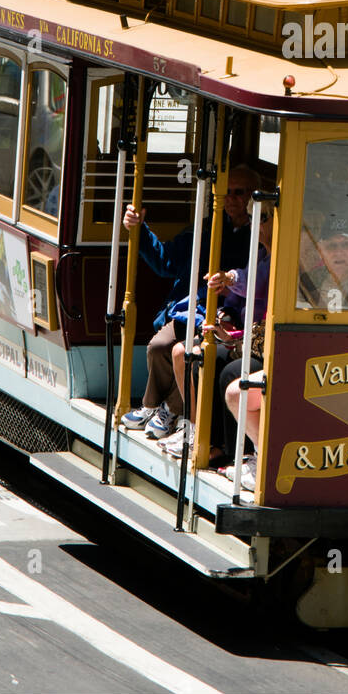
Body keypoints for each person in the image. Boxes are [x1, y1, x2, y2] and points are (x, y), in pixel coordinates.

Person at [121, 165, 260, 438]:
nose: (231, 199)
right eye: (226, 192)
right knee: (158, 346)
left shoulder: (259, 234)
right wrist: (138, 229)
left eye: (239, 192)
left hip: (227, 316)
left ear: (253, 196)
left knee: (187, 356)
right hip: (192, 308)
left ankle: (173, 409)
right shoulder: (208, 228)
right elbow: (166, 261)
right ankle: (153, 406)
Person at [200, 201, 276, 487]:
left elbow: (258, 282)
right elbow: (236, 301)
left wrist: (230, 277)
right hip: (250, 338)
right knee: (206, 356)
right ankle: (213, 442)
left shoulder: (281, 257)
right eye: (254, 218)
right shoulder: (261, 253)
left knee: (231, 372)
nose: (257, 224)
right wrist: (226, 322)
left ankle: (242, 454)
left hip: (268, 345)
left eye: (263, 218)